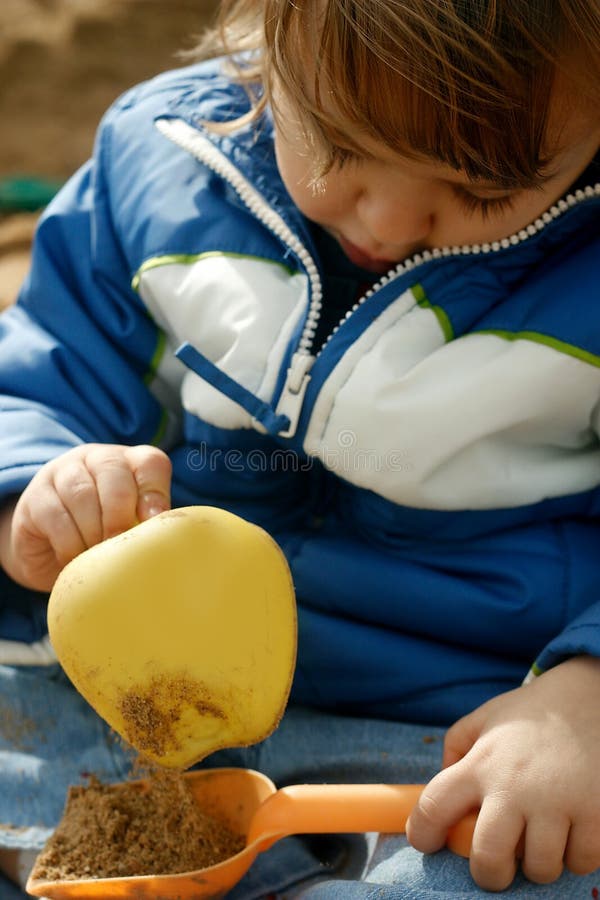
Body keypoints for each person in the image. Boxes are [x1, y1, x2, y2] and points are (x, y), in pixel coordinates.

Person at [0, 0, 599, 896]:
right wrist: (34, 494)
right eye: (336, 144)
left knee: (510, 859)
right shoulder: (165, 169)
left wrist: (584, 694)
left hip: (456, 723)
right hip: (145, 700)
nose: (387, 220)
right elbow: (38, 381)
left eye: (480, 189)